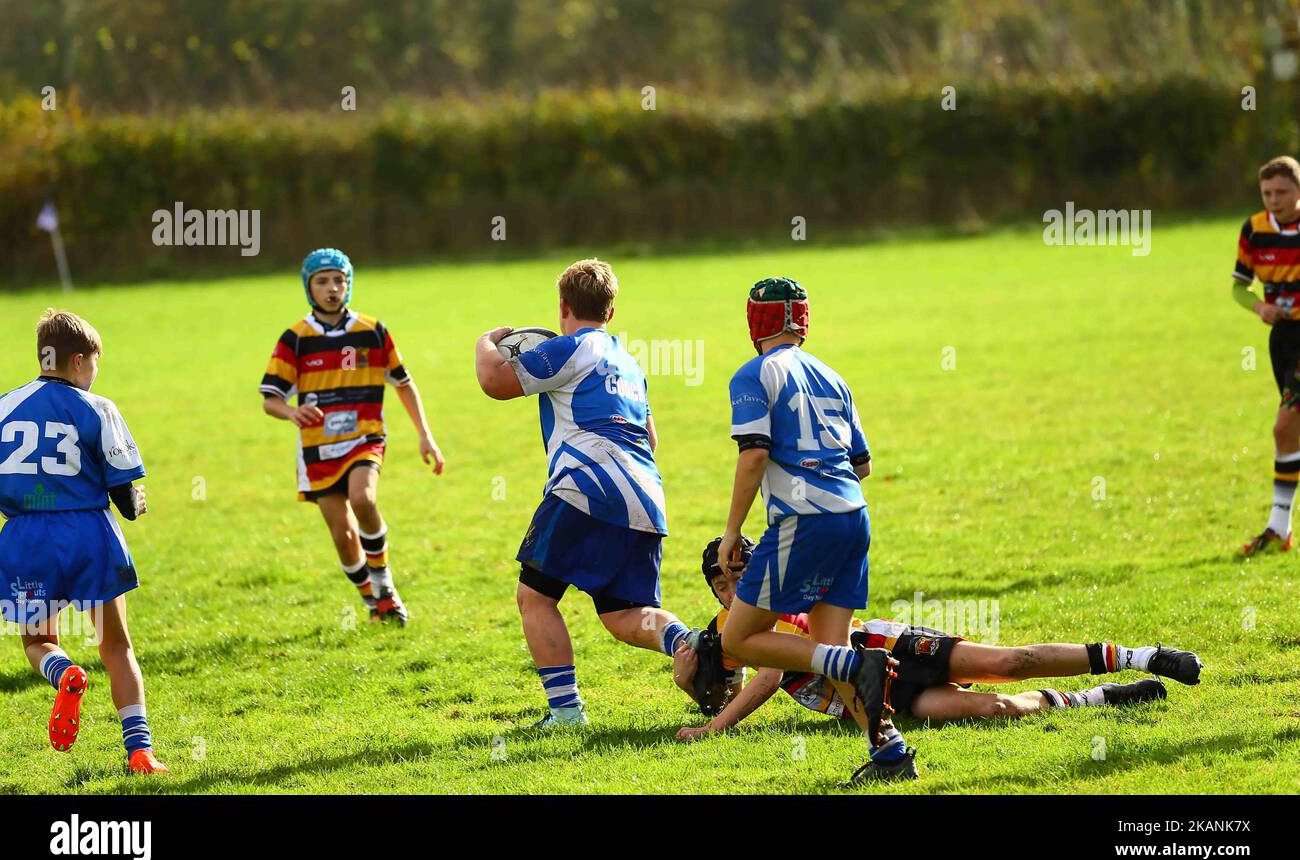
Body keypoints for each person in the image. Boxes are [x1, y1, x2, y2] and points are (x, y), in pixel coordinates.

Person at [673, 537, 1202, 746]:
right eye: (725, 581)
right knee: (994, 709)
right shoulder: (724, 632)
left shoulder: (776, 600)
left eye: (743, 573)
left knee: (1009, 662)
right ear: (714, 589)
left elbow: (767, 677)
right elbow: (728, 686)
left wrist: (712, 728)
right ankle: (1103, 696)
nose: (737, 587)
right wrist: (692, 684)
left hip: (888, 649)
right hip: (878, 698)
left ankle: (1147, 655)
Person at [474, 258, 693, 727]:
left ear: (564, 306)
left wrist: (486, 343)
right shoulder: (629, 363)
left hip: (587, 486)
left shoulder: (572, 348)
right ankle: (688, 644)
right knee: (625, 613)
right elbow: (651, 438)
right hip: (646, 494)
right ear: (611, 311)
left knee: (535, 597)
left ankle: (566, 712)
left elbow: (495, 381)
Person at [713, 277, 909, 782]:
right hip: (853, 516)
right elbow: (861, 464)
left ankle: (853, 669)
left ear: (754, 321)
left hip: (805, 522)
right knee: (832, 642)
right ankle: (891, 756)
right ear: (802, 319)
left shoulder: (754, 374)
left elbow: (754, 453)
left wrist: (733, 530)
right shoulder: (833, 377)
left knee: (739, 638)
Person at [0, 309, 167, 773]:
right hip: (90, 534)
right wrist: (138, 502)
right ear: (78, 361)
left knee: (37, 641)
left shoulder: (4, 406)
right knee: (117, 647)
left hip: (26, 535)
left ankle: (64, 672)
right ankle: (140, 751)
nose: (95, 374)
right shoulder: (99, 408)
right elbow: (126, 496)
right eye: (94, 364)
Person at [259, 248, 444, 623]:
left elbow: (404, 385)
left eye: (339, 280)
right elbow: (270, 399)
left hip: (365, 437)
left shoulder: (373, 331)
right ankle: (376, 604)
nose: (332, 288)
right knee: (343, 536)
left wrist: (426, 435)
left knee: (363, 499)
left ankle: (385, 584)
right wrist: (293, 411)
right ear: (309, 287)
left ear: (349, 284)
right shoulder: (295, 338)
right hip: (317, 449)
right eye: (322, 281)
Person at [1233, 156, 1300, 556]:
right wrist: (1259, 307)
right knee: (1290, 432)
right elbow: (1239, 288)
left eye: (1282, 193)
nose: (1274, 200)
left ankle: (1277, 524)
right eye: (1267, 193)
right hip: (1283, 340)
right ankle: (1281, 531)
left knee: (1283, 426)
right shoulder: (1254, 230)